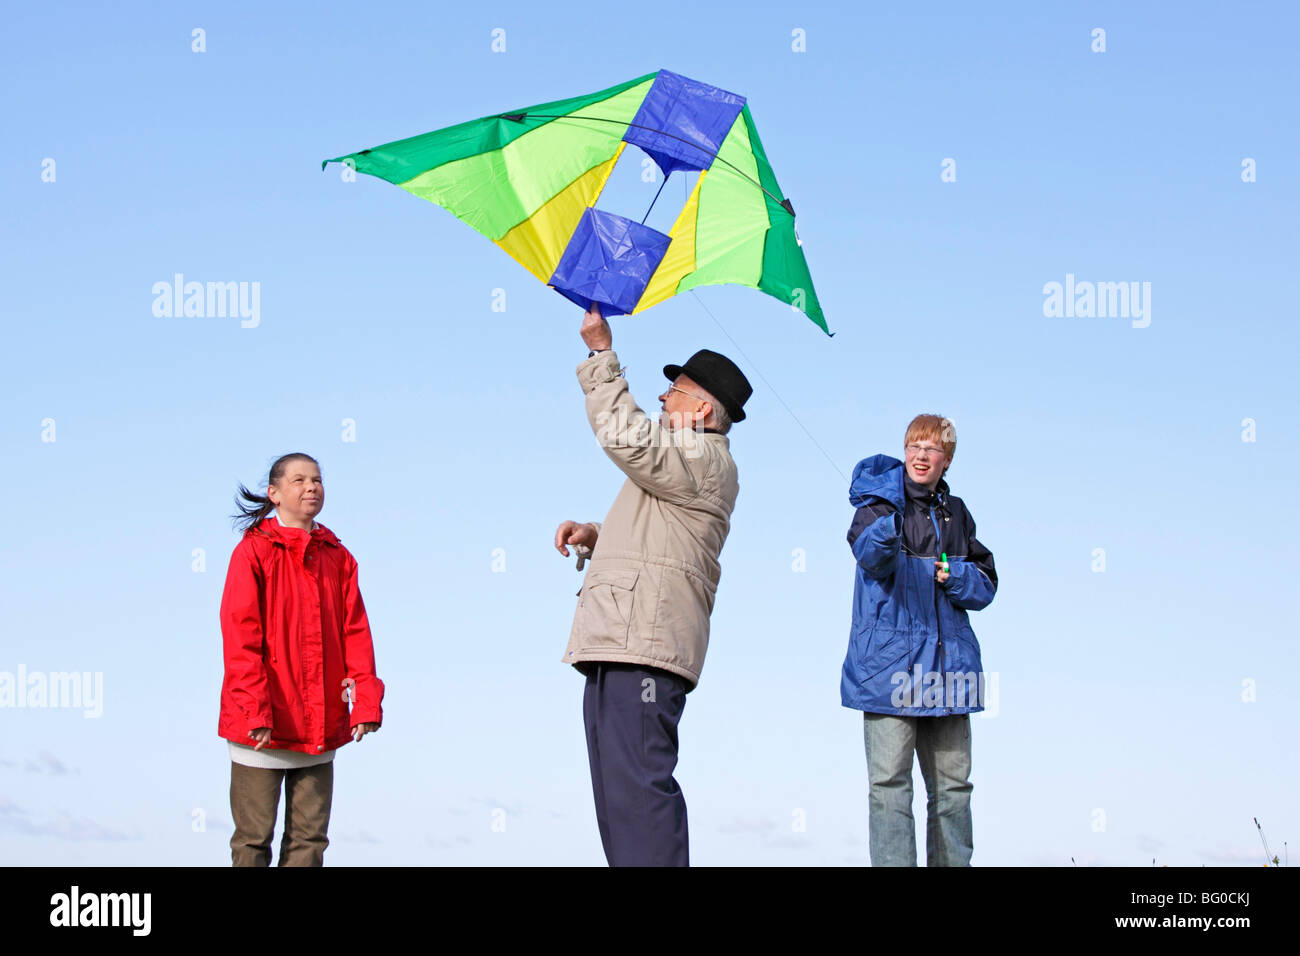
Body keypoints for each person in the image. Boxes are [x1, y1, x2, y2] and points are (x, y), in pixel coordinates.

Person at [553, 303, 752, 867]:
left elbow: (627, 438)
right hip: (625, 640)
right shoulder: (684, 460)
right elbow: (658, 531)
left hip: (643, 646)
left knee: (638, 791)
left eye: (676, 389)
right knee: (620, 797)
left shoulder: (701, 456)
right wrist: (597, 533)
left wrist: (600, 355)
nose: (664, 399)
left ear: (703, 408)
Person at [841, 415, 997, 866]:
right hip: (889, 668)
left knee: (953, 789)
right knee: (889, 784)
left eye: (931, 449)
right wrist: (890, 525)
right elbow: (870, 555)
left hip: (948, 669)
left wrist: (959, 574)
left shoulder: (957, 513)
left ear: (946, 460)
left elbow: (986, 584)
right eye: (914, 446)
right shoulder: (876, 504)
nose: (921, 455)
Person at [218, 452, 384, 867]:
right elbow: (240, 637)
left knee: (310, 840)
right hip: (262, 727)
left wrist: (364, 701)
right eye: (298, 480)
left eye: (317, 479)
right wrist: (256, 710)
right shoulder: (253, 553)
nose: (311, 487)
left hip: (320, 725)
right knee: (253, 841)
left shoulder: (338, 557)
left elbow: (356, 634)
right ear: (274, 494)